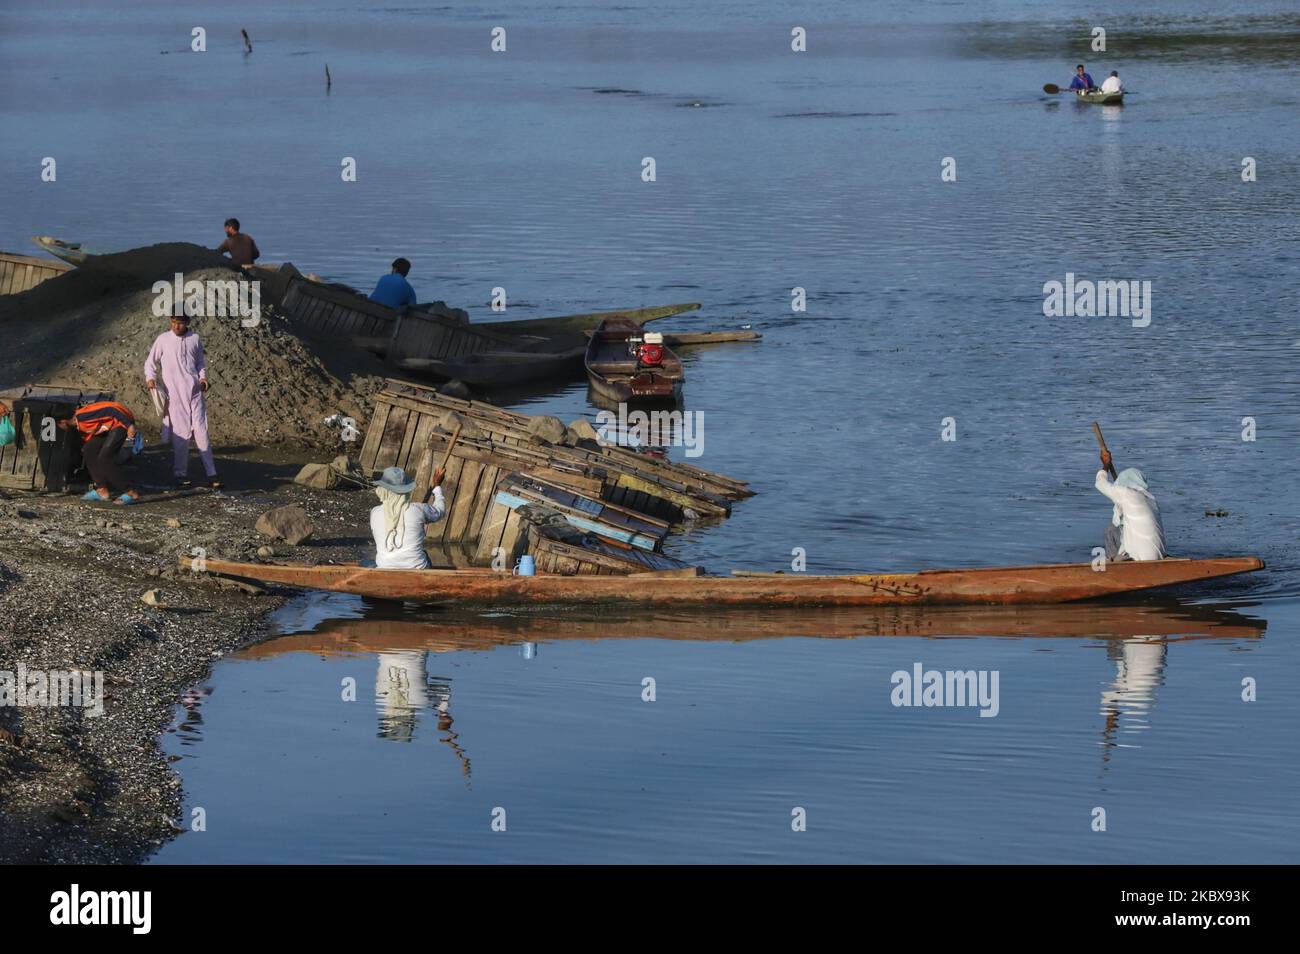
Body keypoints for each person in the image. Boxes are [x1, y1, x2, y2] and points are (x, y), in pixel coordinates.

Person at [145, 313, 221, 488]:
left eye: (179, 323)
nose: (176, 326)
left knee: (202, 433)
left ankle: (212, 474)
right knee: (182, 436)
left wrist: (203, 378)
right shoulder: (163, 339)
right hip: (175, 396)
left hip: (195, 393)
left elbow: (200, 362)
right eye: (173, 322)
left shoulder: (194, 338)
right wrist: (150, 378)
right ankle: (180, 474)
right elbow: (150, 363)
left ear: (187, 323)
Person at [60, 399, 141, 504]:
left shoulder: (84, 416)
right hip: (109, 426)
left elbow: (111, 409)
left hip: (121, 422)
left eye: (59, 425)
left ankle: (131, 492)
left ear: (63, 421)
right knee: (88, 450)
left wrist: (129, 425)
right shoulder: (78, 427)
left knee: (105, 458)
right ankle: (101, 490)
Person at [370, 465, 446, 569]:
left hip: (384, 567)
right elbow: (440, 511)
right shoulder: (419, 510)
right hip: (417, 568)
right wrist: (437, 486)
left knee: (367, 562)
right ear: (405, 490)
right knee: (424, 554)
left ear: (383, 490)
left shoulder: (374, 512)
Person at [1095, 450, 1165, 561]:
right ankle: (1119, 557)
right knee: (1119, 528)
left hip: (1139, 560)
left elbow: (1100, 483)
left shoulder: (1126, 493)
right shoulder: (1152, 500)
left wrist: (1106, 465)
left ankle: (1116, 566)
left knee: (1110, 530)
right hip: (1158, 557)